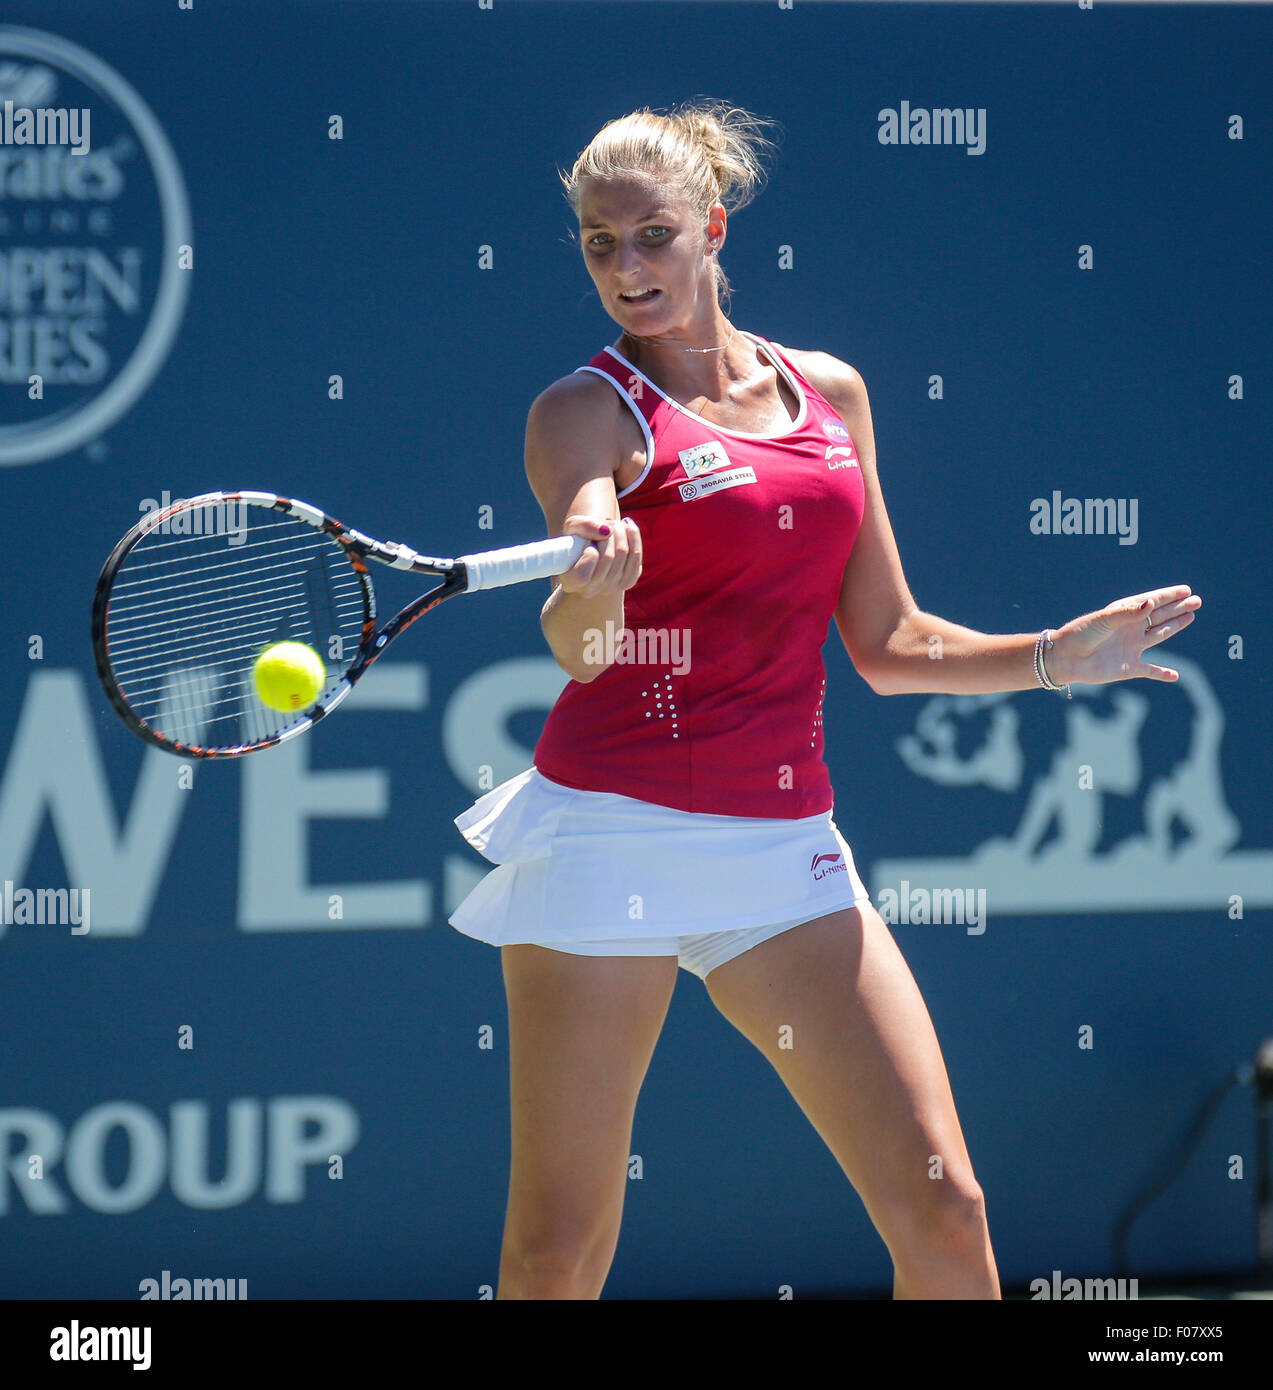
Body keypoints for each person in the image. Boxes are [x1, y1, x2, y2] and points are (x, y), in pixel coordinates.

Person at [448, 100, 1201, 1300]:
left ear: (713, 224)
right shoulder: (582, 413)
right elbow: (580, 649)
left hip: (785, 845)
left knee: (947, 1212)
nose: (627, 269)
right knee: (557, 1251)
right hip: (608, 840)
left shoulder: (830, 395)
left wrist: (1060, 652)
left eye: (650, 235)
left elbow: (892, 643)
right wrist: (596, 578)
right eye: (598, 243)